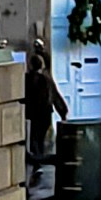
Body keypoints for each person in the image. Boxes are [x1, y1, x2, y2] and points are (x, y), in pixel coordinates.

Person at [24, 34, 68, 176]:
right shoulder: (46, 79)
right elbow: (54, 95)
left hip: (33, 113)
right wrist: (63, 111)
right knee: (39, 139)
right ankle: (38, 161)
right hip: (44, 113)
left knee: (34, 139)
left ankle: (37, 162)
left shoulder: (28, 79)